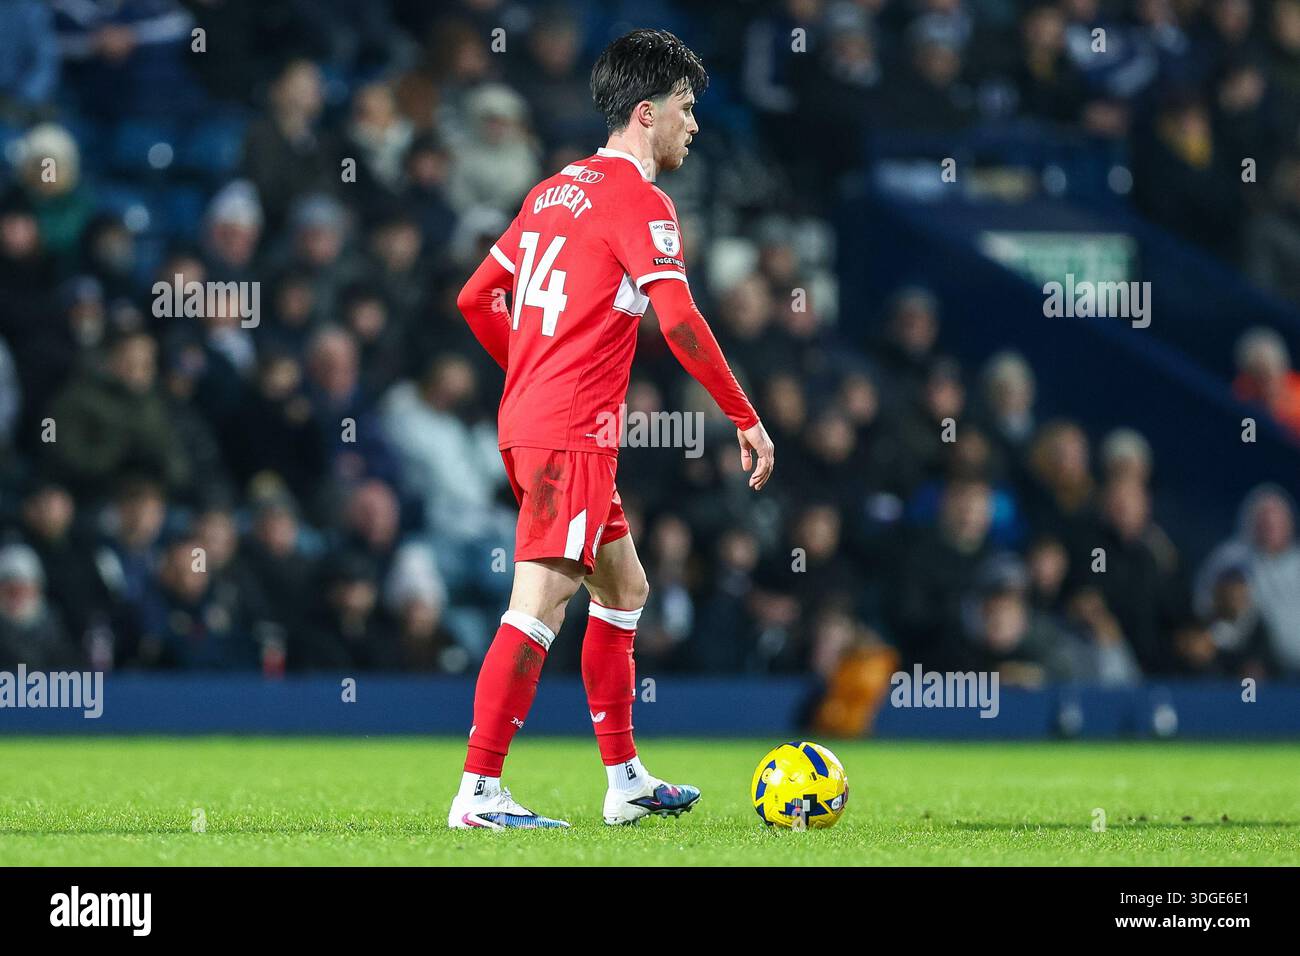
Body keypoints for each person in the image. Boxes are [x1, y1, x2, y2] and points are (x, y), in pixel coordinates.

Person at [449, 29, 774, 830]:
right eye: (686, 109)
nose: (694, 125)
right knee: (539, 605)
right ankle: (479, 793)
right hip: (568, 432)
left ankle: (625, 779)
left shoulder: (551, 191)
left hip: (542, 422)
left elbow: (475, 298)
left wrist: (530, 374)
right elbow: (681, 321)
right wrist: (744, 416)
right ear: (645, 112)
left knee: (625, 589)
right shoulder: (641, 200)